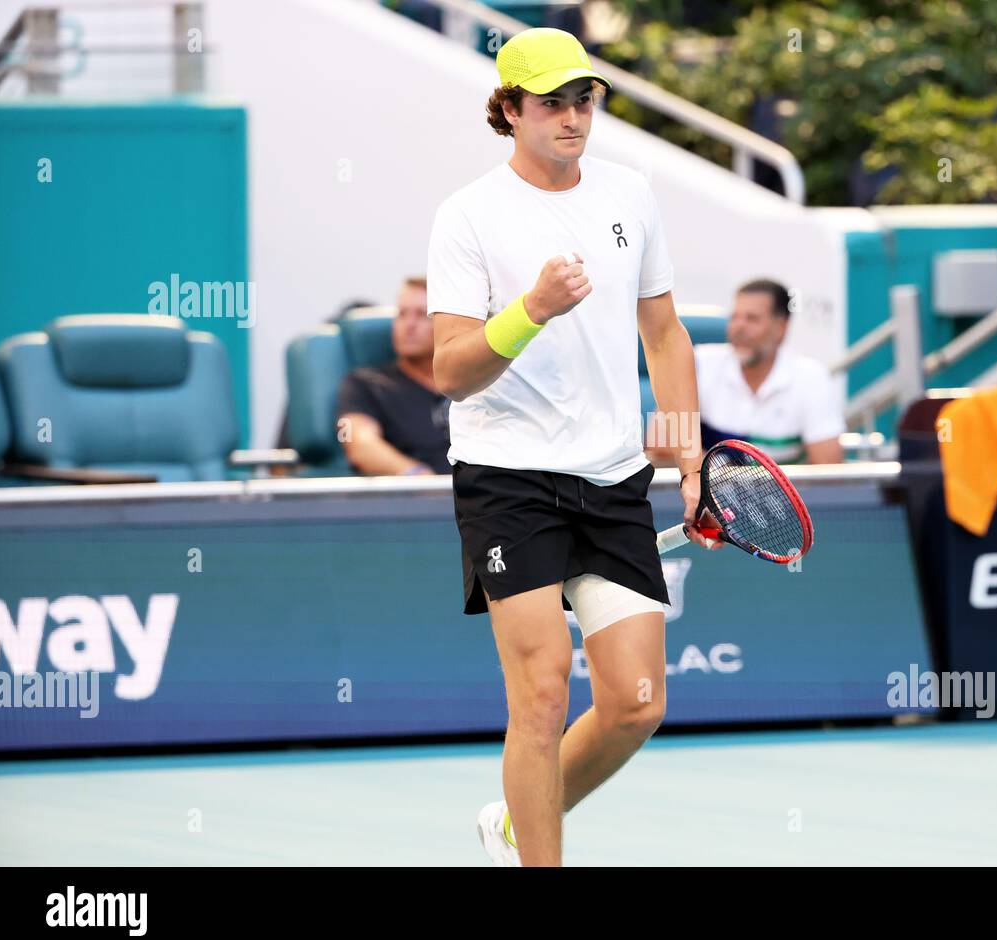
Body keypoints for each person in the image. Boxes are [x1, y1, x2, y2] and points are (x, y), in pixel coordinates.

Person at [426, 27, 721, 867]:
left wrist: (688, 459)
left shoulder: (630, 193)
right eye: (550, 102)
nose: (571, 117)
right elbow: (450, 370)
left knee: (635, 703)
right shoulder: (468, 216)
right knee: (543, 694)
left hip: (615, 477)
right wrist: (532, 309)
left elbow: (663, 336)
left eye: (582, 99)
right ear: (510, 110)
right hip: (507, 480)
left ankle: (517, 820)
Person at [650, 279, 845, 466]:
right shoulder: (700, 362)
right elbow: (659, 440)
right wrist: (720, 477)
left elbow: (828, 465)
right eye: (735, 317)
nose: (739, 327)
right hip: (707, 499)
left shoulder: (811, 377)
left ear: (781, 327)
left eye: (752, 319)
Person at [335, 277, 451, 475]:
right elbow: (358, 445)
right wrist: (417, 475)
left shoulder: (470, 383)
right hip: (415, 496)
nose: (409, 325)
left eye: (422, 315)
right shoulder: (364, 384)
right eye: (402, 314)